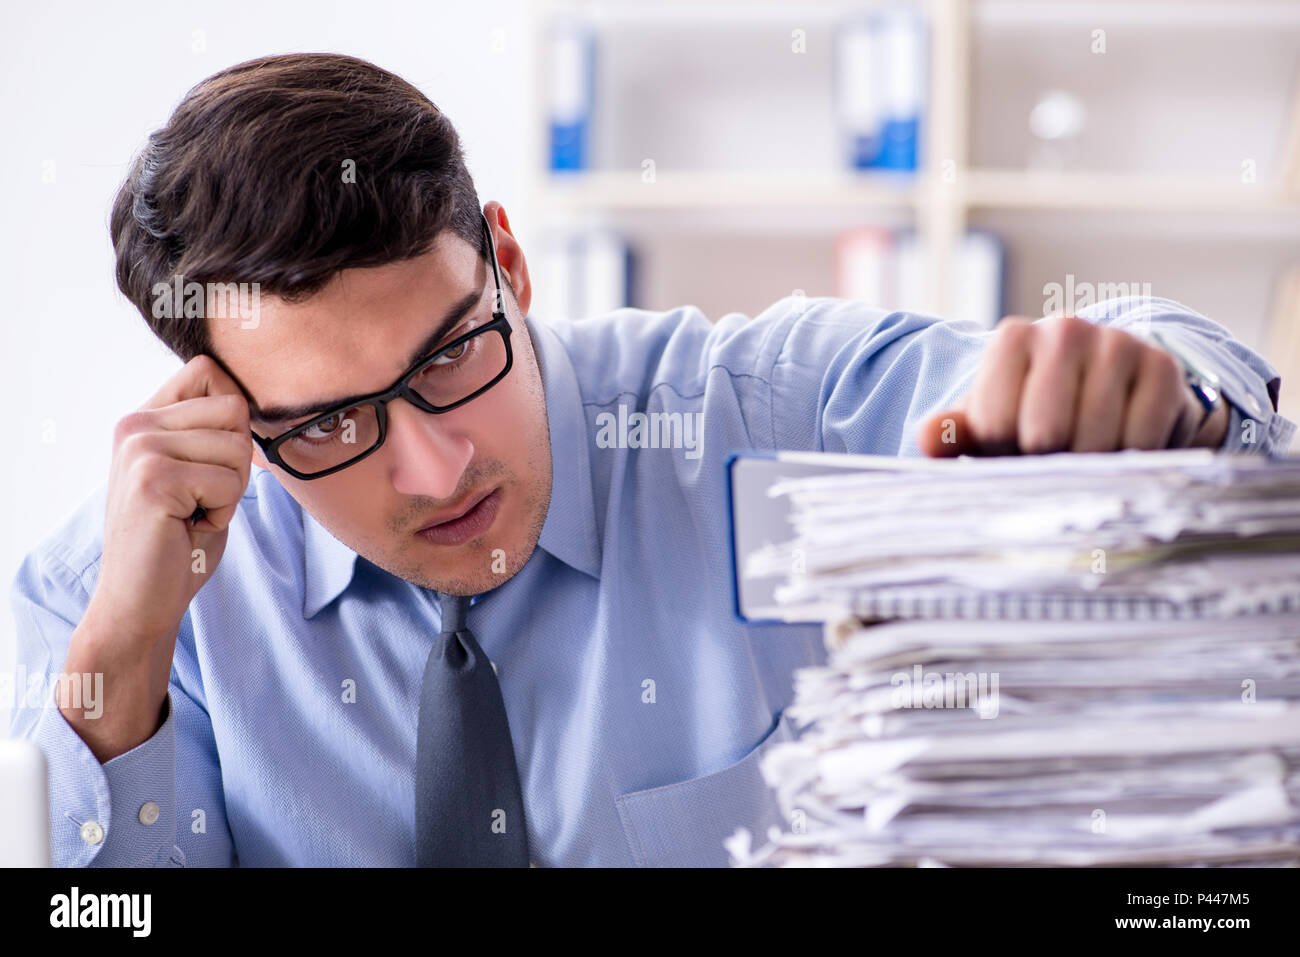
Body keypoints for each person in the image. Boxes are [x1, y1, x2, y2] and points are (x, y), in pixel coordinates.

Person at [9, 53, 1294, 867]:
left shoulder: (749, 409)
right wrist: (119, 673)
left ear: (507, 267)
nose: (433, 465)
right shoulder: (111, 594)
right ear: (219, 405)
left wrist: (1153, 407)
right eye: (331, 424)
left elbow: (1155, 386)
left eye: (453, 353)